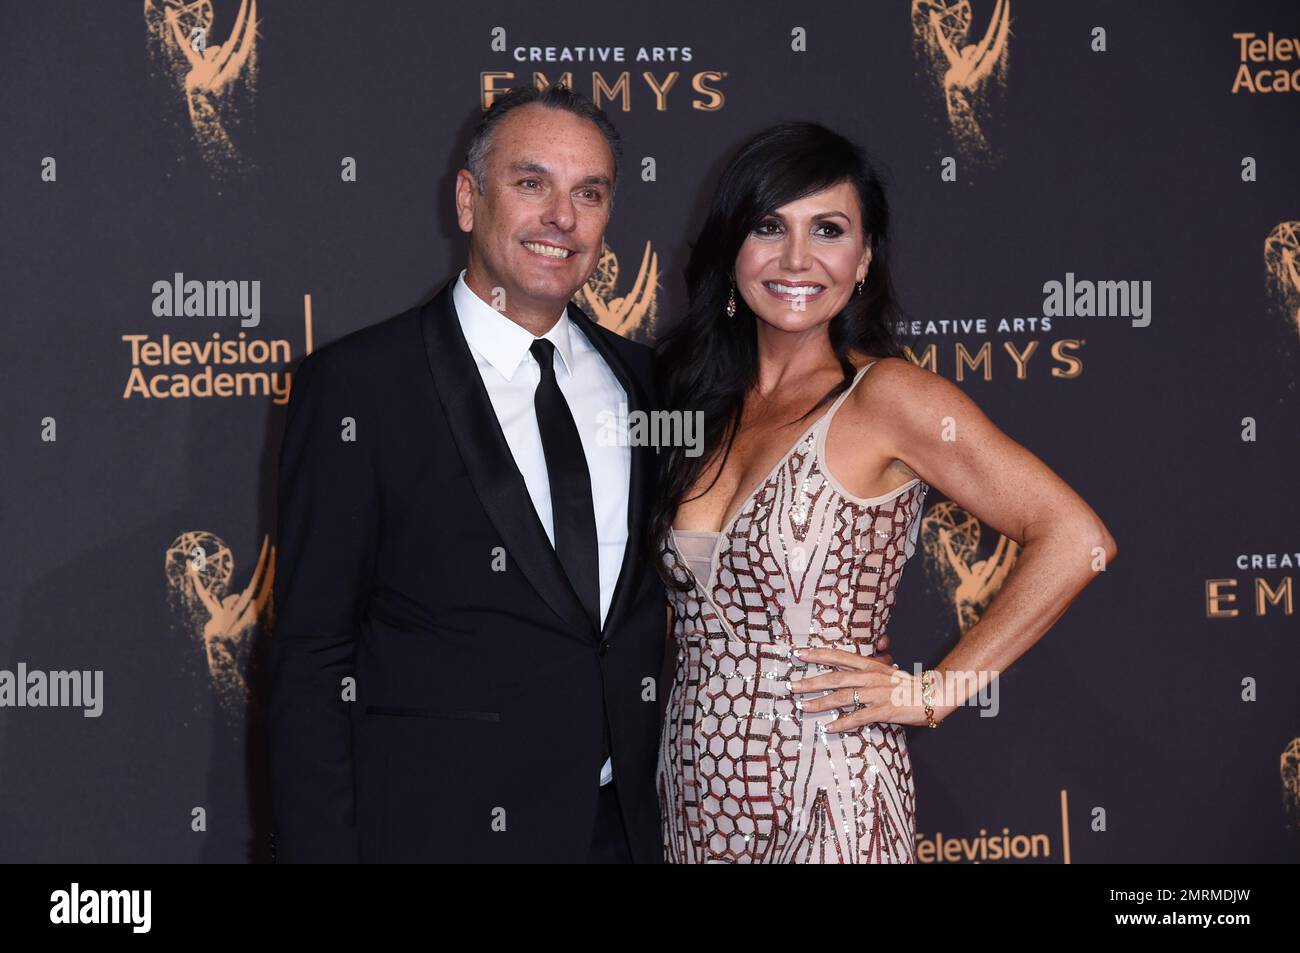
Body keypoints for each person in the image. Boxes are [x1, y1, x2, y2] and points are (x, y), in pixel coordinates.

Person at [650, 121, 1118, 863]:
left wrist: (931, 693)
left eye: (828, 230)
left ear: (863, 259)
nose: (797, 258)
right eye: (770, 226)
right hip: (693, 797)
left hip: (832, 794)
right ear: (731, 245)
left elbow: (1076, 537)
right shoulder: (694, 404)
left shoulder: (886, 397)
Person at [268, 83, 667, 863]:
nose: (562, 216)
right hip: (437, 830)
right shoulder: (361, 387)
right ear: (466, 199)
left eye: (589, 192)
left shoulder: (650, 385)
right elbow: (313, 654)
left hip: (622, 834)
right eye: (531, 183)